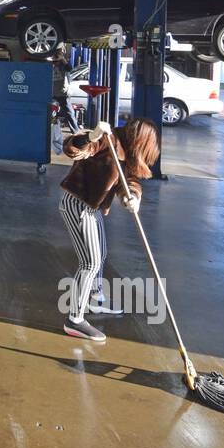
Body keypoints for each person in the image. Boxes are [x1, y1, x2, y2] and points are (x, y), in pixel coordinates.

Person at [58, 117, 160, 342]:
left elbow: (130, 180)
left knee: (101, 254)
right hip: (78, 204)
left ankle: (95, 298)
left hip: (91, 209)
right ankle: (74, 320)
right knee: (90, 262)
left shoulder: (128, 151)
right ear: (139, 141)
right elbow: (73, 149)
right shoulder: (107, 139)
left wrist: (132, 197)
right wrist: (89, 137)